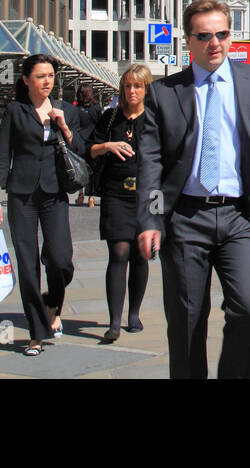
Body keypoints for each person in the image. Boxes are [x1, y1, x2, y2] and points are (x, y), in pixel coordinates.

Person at [137, 0, 250, 379]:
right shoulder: (164, 93)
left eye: (221, 34)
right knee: (186, 318)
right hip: (186, 216)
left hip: (239, 216)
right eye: (204, 36)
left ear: (230, 35)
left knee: (248, 308)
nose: (214, 43)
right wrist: (152, 220)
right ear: (189, 40)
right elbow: (151, 163)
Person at [0, 54, 86, 357]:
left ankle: (52, 304)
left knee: (60, 259)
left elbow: (80, 149)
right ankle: (36, 333)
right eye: (41, 76)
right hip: (22, 194)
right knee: (28, 265)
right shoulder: (15, 111)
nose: (47, 81)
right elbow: (3, 155)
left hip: (55, 191)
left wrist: (63, 126)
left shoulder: (65, 110)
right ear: (26, 80)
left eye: (50, 76)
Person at [88, 65, 153, 342]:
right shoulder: (110, 117)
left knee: (140, 255)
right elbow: (89, 148)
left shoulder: (154, 119)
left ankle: (134, 313)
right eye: (127, 86)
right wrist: (108, 146)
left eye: (137, 86)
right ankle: (114, 321)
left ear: (146, 89)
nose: (132, 91)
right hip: (116, 193)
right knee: (118, 253)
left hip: (146, 195)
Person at [73, 85, 104, 207]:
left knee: (80, 169)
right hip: (93, 143)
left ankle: (80, 195)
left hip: (80, 141)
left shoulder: (76, 108)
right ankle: (91, 197)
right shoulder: (96, 108)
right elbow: (100, 124)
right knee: (92, 170)